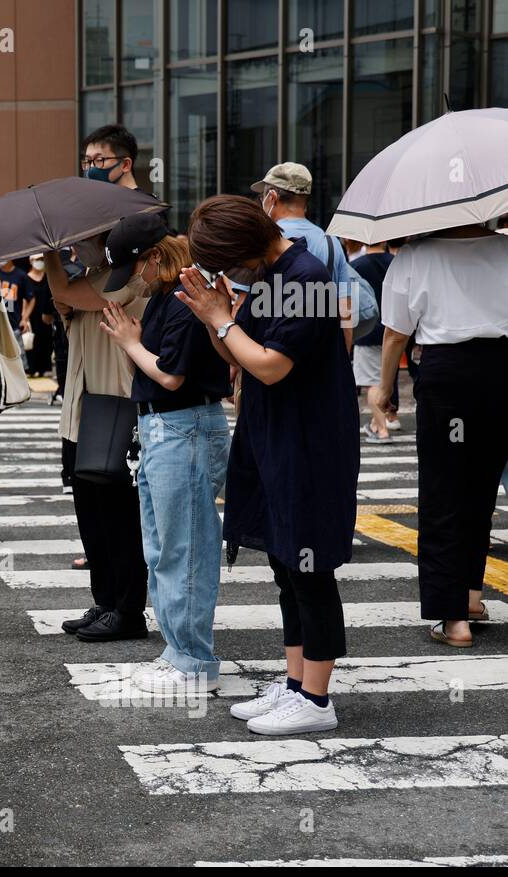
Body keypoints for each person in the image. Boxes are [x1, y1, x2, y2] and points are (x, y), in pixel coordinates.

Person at [179, 195, 359, 735]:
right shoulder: (275, 273)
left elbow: (272, 366)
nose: (221, 272)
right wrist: (215, 319)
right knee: (285, 562)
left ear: (242, 248)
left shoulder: (303, 276)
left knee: (309, 567)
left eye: (221, 260)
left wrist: (220, 319)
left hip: (308, 440)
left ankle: (318, 699)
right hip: (273, 433)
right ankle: (297, 682)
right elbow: (240, 355)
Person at [96, 214, 232, 695]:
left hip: (184, 426)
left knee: (183, 549)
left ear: (155, 256)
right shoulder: (164, 298)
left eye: (136, 268)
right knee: (162, 549)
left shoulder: (183, 298)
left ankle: (193, 661)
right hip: (166, 427)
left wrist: (131, 343)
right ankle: (180, 653)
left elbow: (172, 375)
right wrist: (132, 342)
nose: (135, 279)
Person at [40, 126, 156, 641]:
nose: (91, 165)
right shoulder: (92, 218)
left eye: (100, 158)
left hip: (118, 378)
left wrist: (56, 266)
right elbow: (69, 299)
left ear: (125, 162)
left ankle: (128, 608)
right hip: (85, 375)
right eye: (85, 157)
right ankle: (104, 599)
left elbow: (93, 293)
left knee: (115, 499)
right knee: (87, 494)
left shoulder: (144, 219)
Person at [374, 224, 508, 648]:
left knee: (443, 492)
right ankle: (470, 596)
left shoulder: (415, 256)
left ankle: (454, 619)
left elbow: (396, 331)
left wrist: (384, 388)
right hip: (502, 371)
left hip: (448, 374)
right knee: (482, 487)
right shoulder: (505, 248)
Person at [252, 162, 355, 346]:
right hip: (319, 357)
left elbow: (240, 305)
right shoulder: (331, 242)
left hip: (268, 355)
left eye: (262, 196)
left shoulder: (260, 242)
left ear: (272, 197)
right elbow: (345, 312)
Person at [350, 238, 396, 443]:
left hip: (366, 330)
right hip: (392, 327)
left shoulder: (356, 266)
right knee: (384, 378)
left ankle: (382, 430)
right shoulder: (394, 262)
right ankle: (377, 424)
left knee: (371, 383)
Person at [0, 258, 34, 373]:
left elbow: (31, 298)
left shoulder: (21, 276)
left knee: (18, 360)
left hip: (14, 324)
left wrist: (25, 318)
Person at [26, 254, 56, 377]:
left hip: (45, 315)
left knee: (45, 341)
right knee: (32, 341)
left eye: (42, 259)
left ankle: (43, 368)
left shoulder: (48, 277)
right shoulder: (25, 278)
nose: (41, 262)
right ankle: (31, 368)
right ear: (31, 261)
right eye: (38, 259)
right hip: (31, 316)